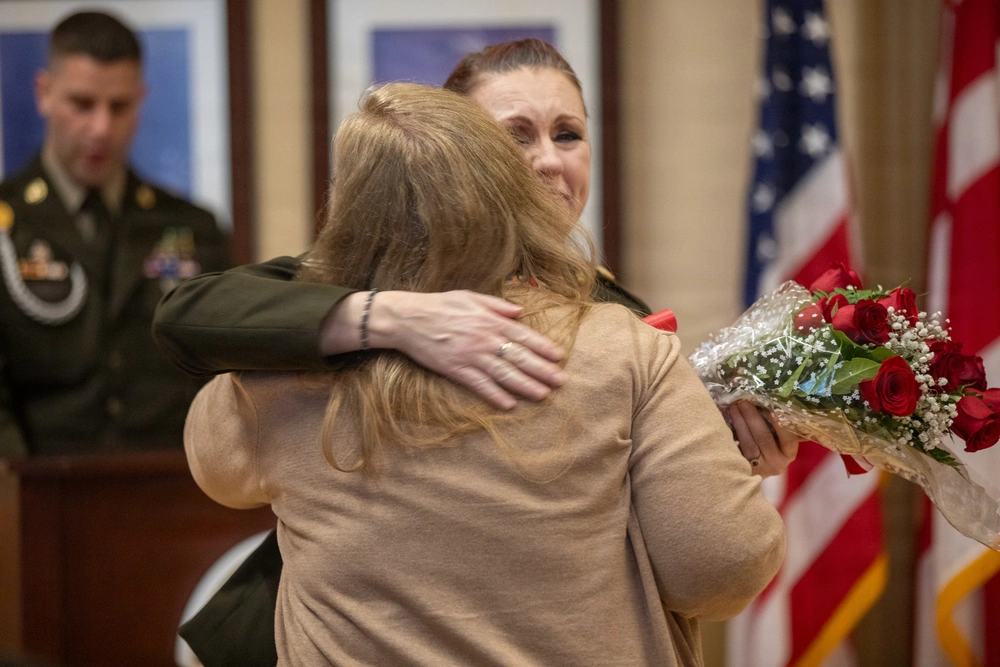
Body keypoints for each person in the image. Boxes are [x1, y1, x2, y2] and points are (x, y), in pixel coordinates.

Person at [168, 38, 798, 667]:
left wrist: (711, 464)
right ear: (458, 159)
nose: (549, 161)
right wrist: (385, 315)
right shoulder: (623, 347)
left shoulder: (617, 317)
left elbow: (218, 461)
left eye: (568, 134)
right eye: (516, 137)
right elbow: (719, 568)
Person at [0, 11, 228, 457]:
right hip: (38, 497)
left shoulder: (192, 228)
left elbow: (223, 382)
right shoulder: (10, 224)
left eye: (119, 107)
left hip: (170, 494)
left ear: (140, 99)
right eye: (82, 104)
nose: (101, 129)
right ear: (44, 94)